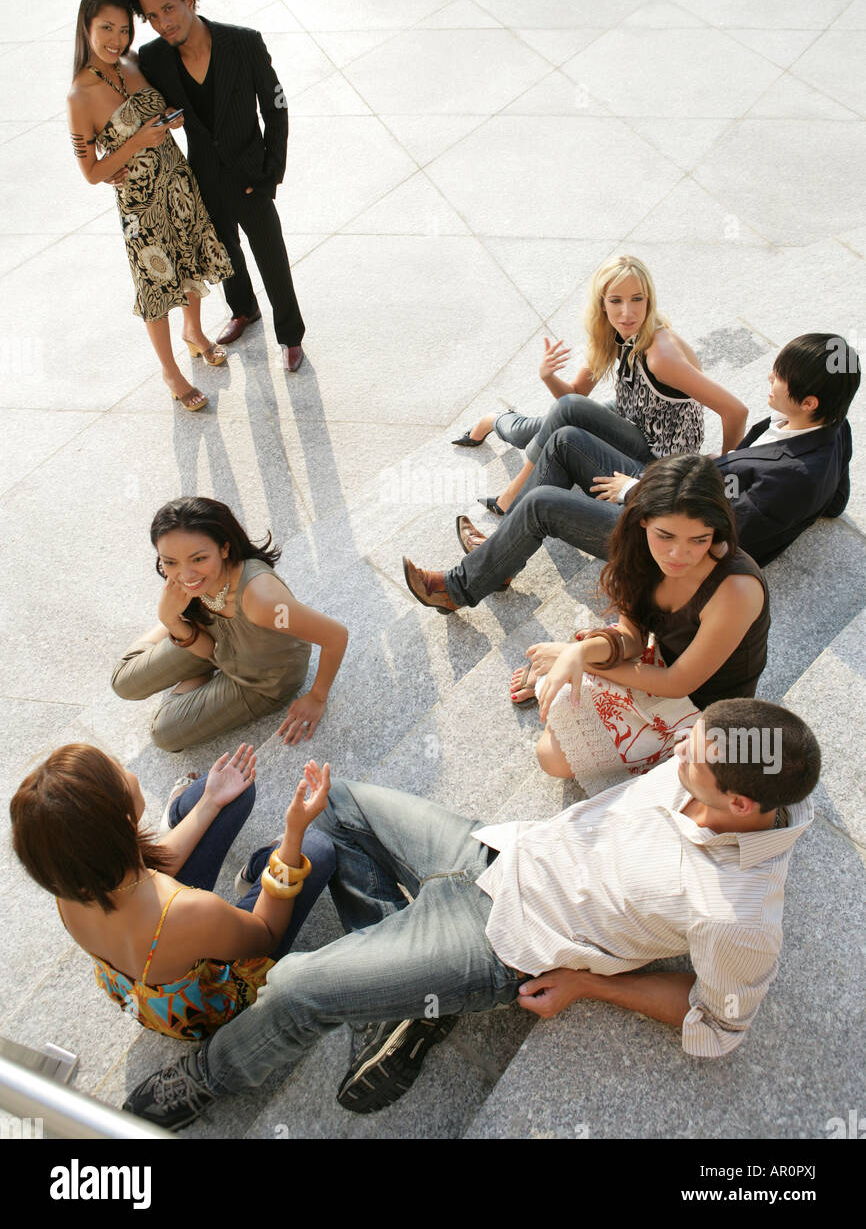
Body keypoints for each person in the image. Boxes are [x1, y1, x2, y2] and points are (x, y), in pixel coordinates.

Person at [120, 698, 820, 1130]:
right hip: (492, 849)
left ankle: (210, 1076)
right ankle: (399, 997)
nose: (681, 756)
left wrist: (589, 984)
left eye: (693, 764)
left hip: (501, 940)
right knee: (334, 801)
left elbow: (719, 1023)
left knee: (298, 987)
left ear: (743, 809)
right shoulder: (730, 756)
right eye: (691, 743)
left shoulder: (740, 914)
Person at [403, 333, 860, 612]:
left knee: (543, 505)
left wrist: (636, 492)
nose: (769, 379)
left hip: (669, 548)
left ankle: (458, 589)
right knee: (564, 441)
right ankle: (500, 564)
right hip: (677, 488)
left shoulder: (795, 474)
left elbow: (720, 539)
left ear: (809, 402)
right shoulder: (832, 428)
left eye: (778, 377)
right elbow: (836, 501)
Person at [9, 744, 335, 1041]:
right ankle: (266, 864)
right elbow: (266, 937)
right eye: (120, 769)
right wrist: (293, 838)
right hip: (207, 1008)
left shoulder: (72, 884)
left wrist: (210, 800)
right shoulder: (188, 911)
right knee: (316, 849)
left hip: (149, 987)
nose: (130, 771)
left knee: (228, 792)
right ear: (124, 822)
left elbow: (146, 877)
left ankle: (221, 833)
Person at [519, 455, 769, 794]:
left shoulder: (736, 589)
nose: (679, 554)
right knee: (562, 710)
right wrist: (581, 653)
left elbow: (677, 683)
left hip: (704, 703)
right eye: (665, 535)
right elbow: (631, 638)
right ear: (642, 521)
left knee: (552, 756)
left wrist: (574, 654)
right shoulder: (639, 551)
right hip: (658, 662)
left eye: (700, 539)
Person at [124, 0, 306, 373]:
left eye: (168, 8)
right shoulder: (153, 58)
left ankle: (291, 335)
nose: (163, 22)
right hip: (202, 176)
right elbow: (122, 84)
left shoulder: (244, 43)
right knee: (223, 254)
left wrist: (268, 174)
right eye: (152, 16)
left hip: (250, 174)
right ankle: (243, 310)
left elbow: (276, 108)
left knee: (271, 256)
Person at [452, 255, 747, 515]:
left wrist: (724, 468)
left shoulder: (661, 355)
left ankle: (509, 499)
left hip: (658, 451)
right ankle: (492, 421)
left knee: (561, 417)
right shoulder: (614, 332)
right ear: (603, 304)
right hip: (632, 417)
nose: (627, 313)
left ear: (649, 300)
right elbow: (576, 393)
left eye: (637, 299)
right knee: (547, 423)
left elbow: (736, 411)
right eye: (616, 301)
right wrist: (548, 376)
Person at [67, 0, 233, 413]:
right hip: (140, 203)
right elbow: (91, 172)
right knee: (157, 285)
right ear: (86, 26)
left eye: (123, 30)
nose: (115, 40)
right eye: (106, 28)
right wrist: (136, 142)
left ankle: (194, 332)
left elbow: (156, 112)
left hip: (177, 180)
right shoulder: (79, 96)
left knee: (190, 261)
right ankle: (170, 371)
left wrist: (167, 121)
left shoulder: (134, 63)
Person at [111, 498, 348, 752]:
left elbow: (335, 636)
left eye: (199, 559)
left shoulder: (262, 603)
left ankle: (197, 667)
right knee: (123, 683)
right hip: (215, 645)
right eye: (170, 562)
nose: (185, 575)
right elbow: (207, 650)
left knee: (164, 735)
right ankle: (179, 634)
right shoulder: (193, 580)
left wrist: (317, 697)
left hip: (260, 680)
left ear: (224, 548)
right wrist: (170, 618)